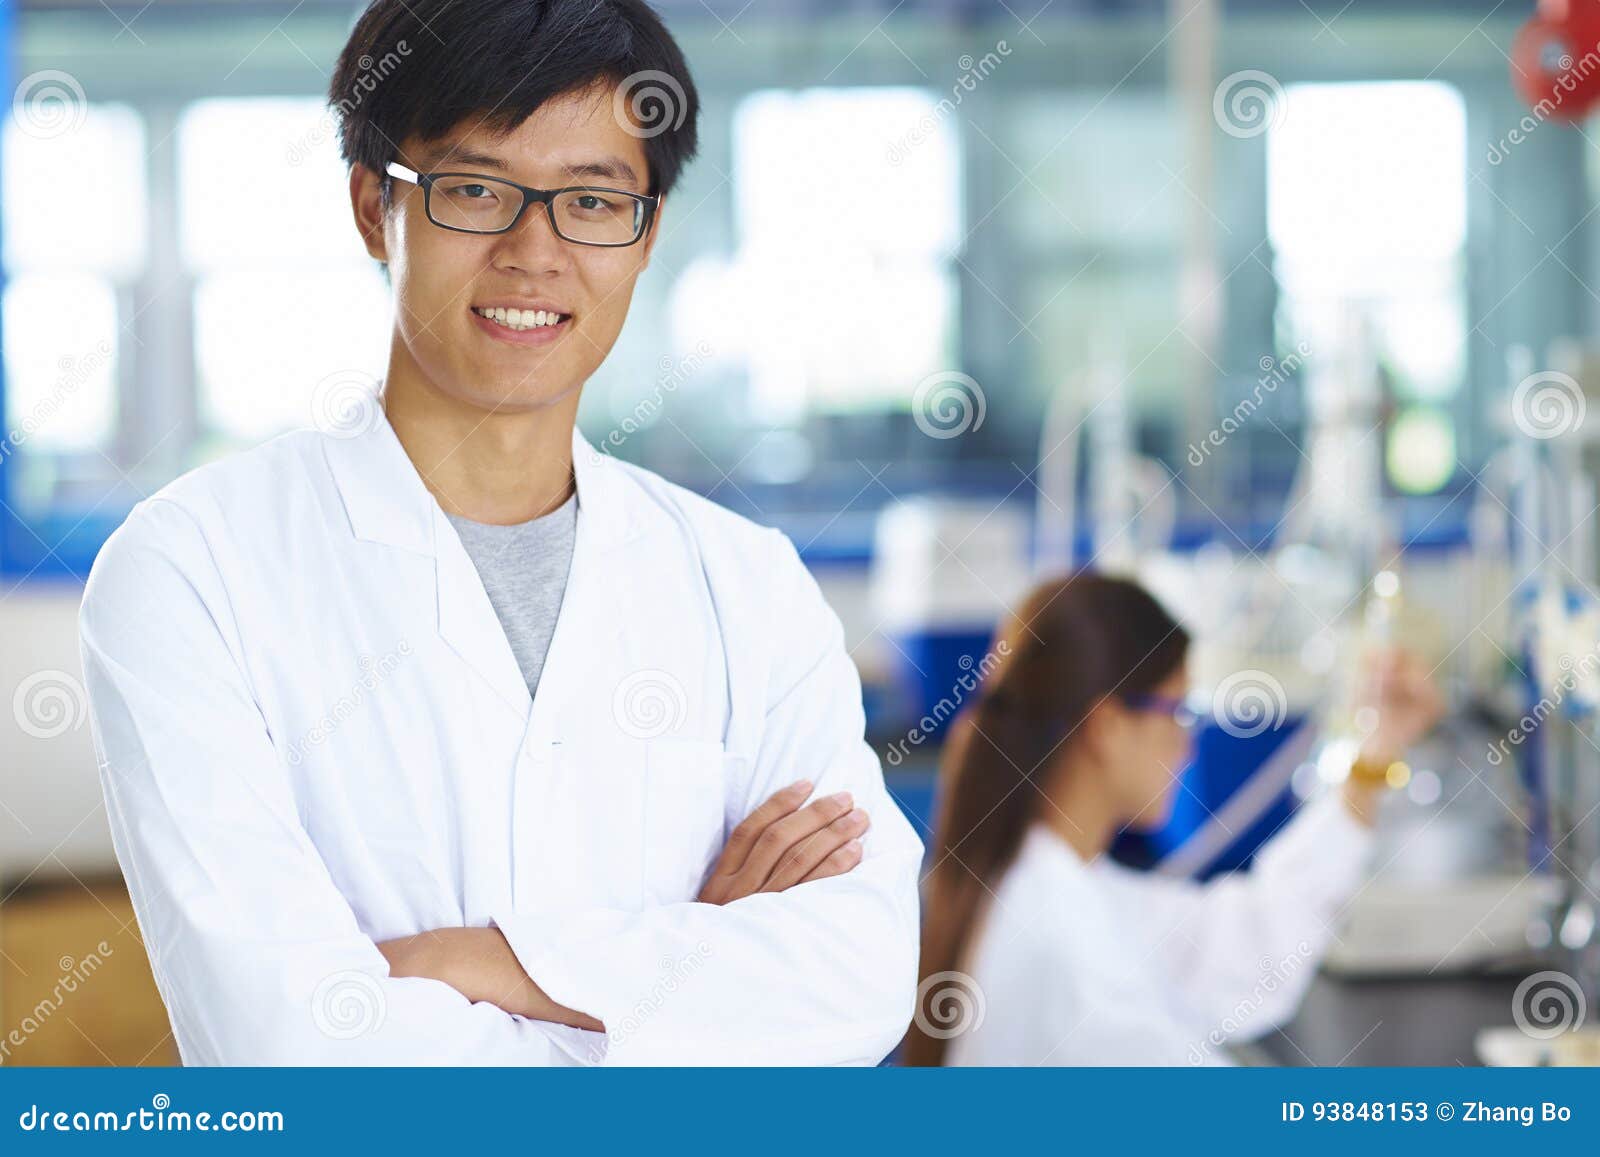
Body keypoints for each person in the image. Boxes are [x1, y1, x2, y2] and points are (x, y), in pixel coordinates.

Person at [78, 0, 922, 1067]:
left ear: (648, 232)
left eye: (593, 200)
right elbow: (291, 1047)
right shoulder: (191, 571)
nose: (536, 252)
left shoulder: (746, 584)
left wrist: (470, 962)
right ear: (373, 207)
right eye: (476, 190)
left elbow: (861, 977)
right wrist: (682, 985)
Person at [902, 573, 1443, 1066]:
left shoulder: (1049, 887)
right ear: (1108, 725)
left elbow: (1243, 943)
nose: (1186, 747)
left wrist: (1374, 756)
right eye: (1178, 712)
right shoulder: (1063, 945)